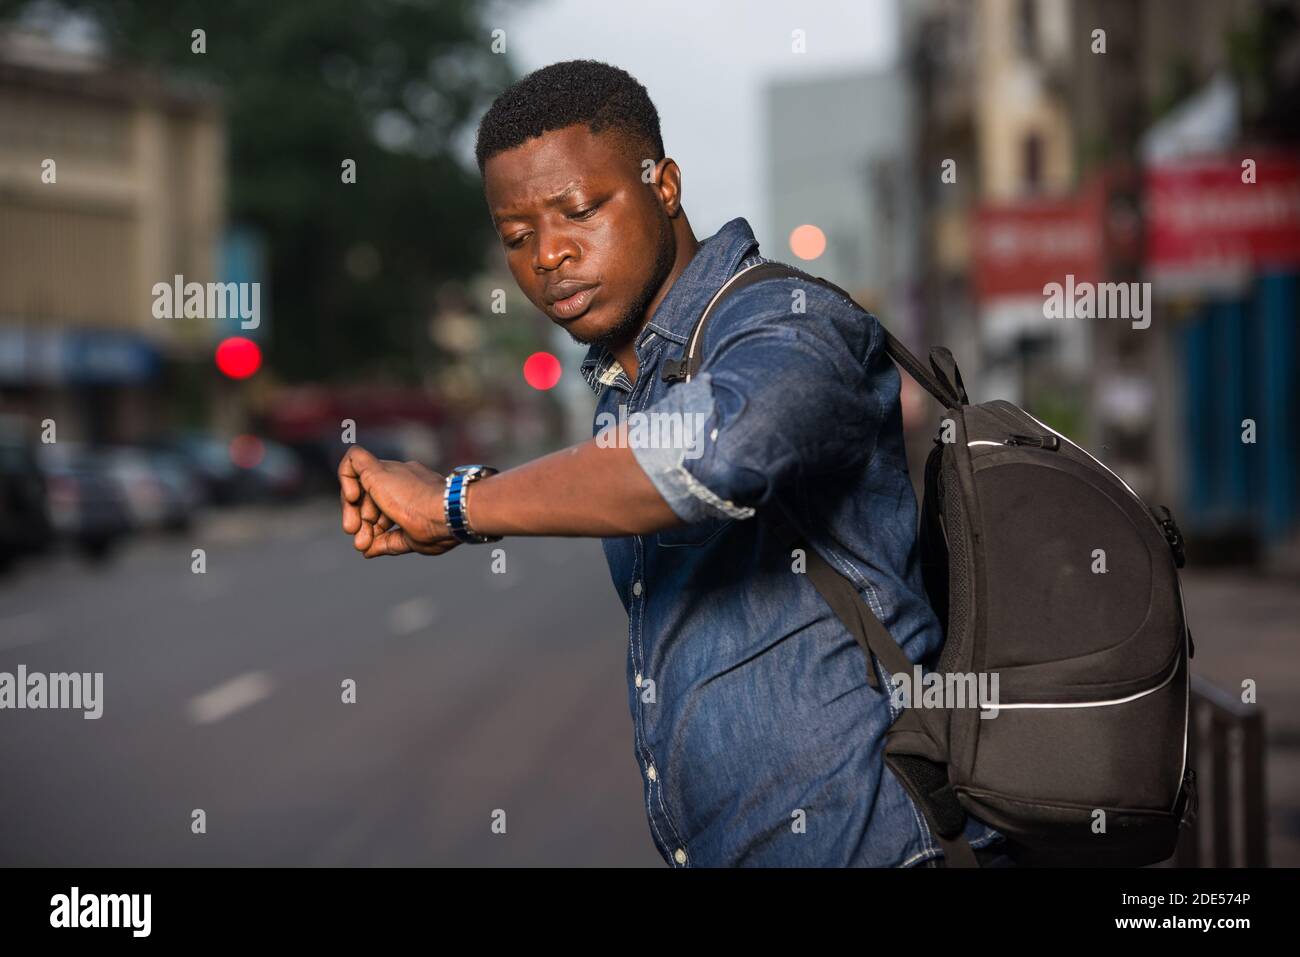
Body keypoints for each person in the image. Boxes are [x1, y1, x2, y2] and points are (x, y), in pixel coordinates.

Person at [338, 59, 1004, 867]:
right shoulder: (629, 388)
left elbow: (709, 452)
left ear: (665, 184)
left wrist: (455, 505)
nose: (548, 255)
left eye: (579, 210)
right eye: (517, 237)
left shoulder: (788, 323)